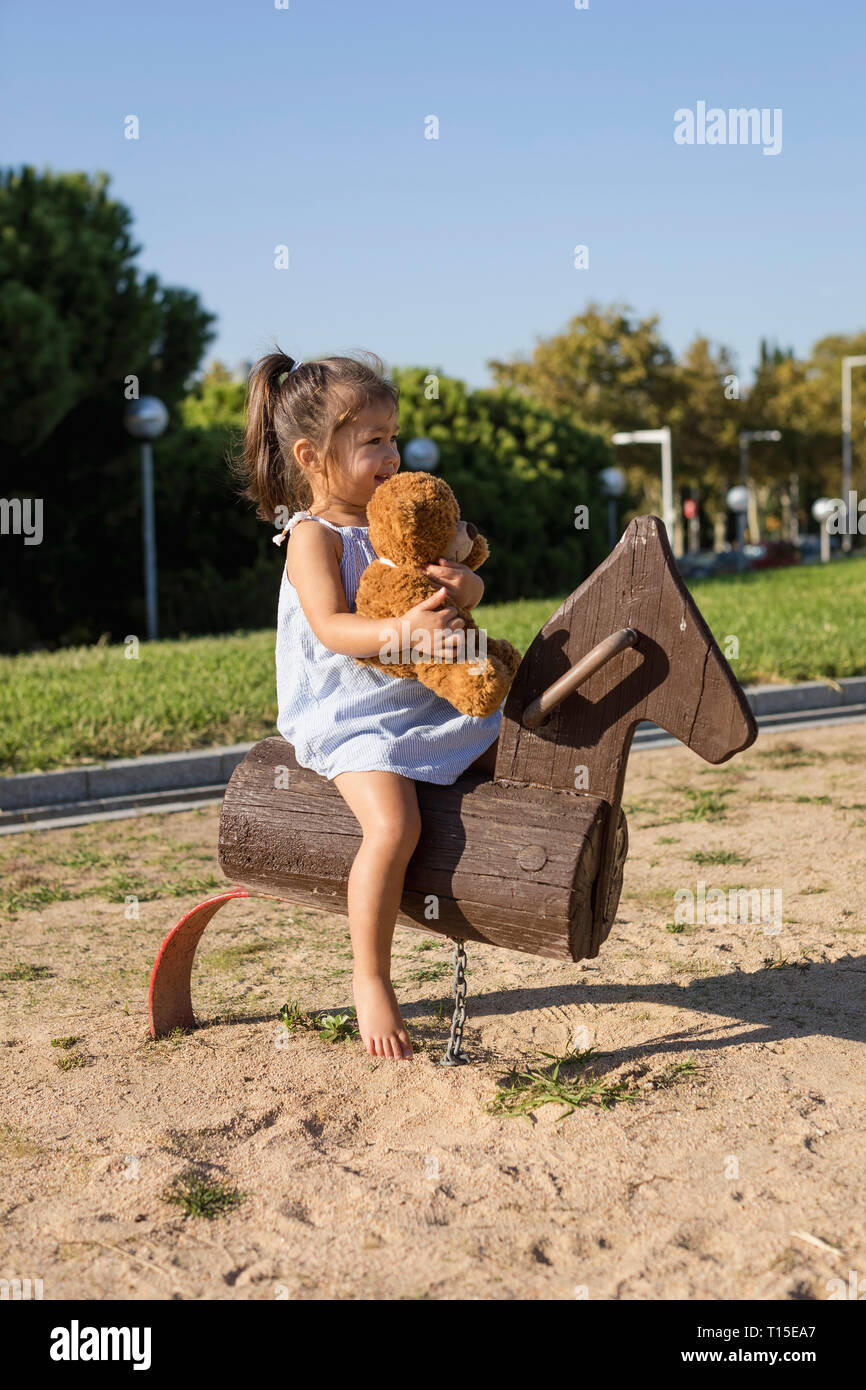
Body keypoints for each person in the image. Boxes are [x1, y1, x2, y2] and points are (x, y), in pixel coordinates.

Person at [237, 349, 502, 1061]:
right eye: (372, 442)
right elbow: (331, 628)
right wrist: (400, 631)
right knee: (392, 824)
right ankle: (371, 977)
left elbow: (461, 584)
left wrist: (464, 590)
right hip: (350, 712)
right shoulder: (311, 538)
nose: (392, 456)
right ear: (312, 456)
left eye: (394, 438)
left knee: (512, 723)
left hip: (418, 691)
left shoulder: (402, 526)